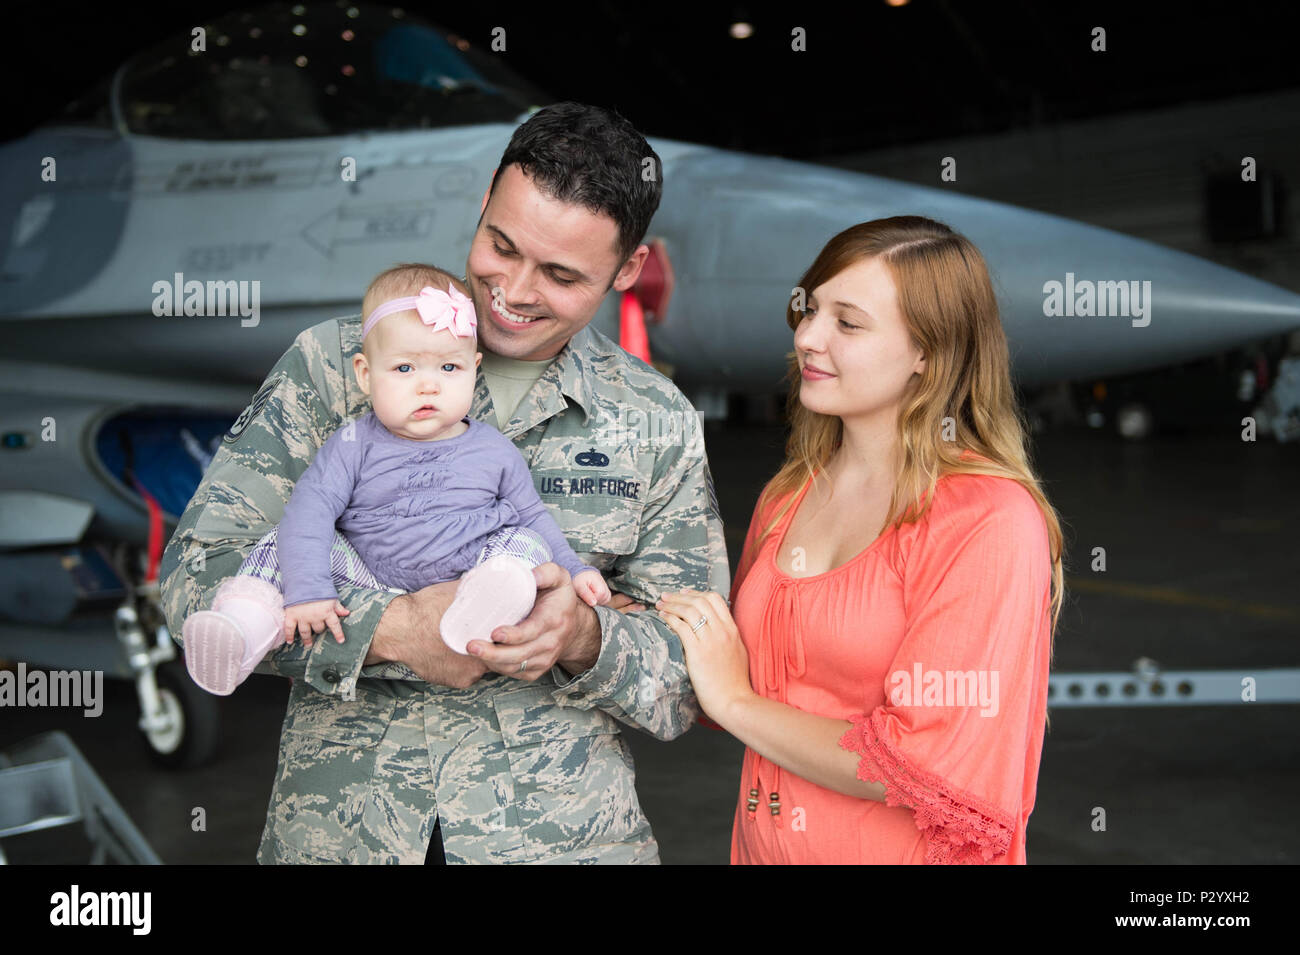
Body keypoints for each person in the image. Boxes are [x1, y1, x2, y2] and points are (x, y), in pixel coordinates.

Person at [158, 102, 730, 864]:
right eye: (501, 245)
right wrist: (392, 630)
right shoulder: (337, 366)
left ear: (628, 270)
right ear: (484, 200)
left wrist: (582, 634)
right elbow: (196, 580)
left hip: (559, 841)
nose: (515, 291)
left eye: (561, 275)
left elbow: (691, 678)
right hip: (342, 837)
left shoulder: (656, 420)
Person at [655, 216, 1065, 864]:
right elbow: (727, 666)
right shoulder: (788, 495)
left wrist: (734, 701)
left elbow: (919, 762)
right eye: (811, 309)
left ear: (928, 353)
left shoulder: (989, 520)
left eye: (848, 323)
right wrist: (594, 609)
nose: (807, 337)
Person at [180, 265, 611, 698]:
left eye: (448, 366)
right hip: (367, 578)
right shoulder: (352, 443)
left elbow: (534, 514)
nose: (428, 385)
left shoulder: (494, 449)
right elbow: (310, 511)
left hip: (471, 573)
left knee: (524, 543)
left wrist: (573, 570)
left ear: (472, 368)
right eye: (404, 368)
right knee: (283, 541)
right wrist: (309, 589)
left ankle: (487, 605)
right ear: (366, 374)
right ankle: (241, 626)